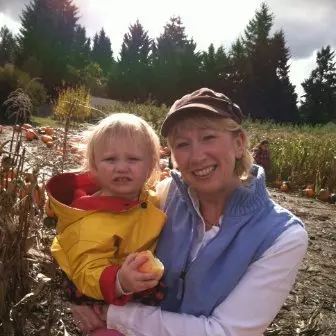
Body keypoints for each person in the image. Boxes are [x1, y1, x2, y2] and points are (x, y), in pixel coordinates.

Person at [70, 88, 308, 336]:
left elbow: (225, 332)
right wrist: (82, 292)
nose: (196, 156)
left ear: (239, 144)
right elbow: (95, 235)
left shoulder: (282, 237)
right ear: (171, 156)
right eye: (182, 144)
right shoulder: (164, 195)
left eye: (208, 137)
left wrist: (112, 313)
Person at [47, 113, 167, 335]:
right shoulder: (90, 220)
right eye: (111, 159)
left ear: (151, 164)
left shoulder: (146, 198)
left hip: (139, 304)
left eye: (133, 159)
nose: (121, 167)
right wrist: (120, 280)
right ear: (94, 165)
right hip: (105, 308)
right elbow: (85, 271)